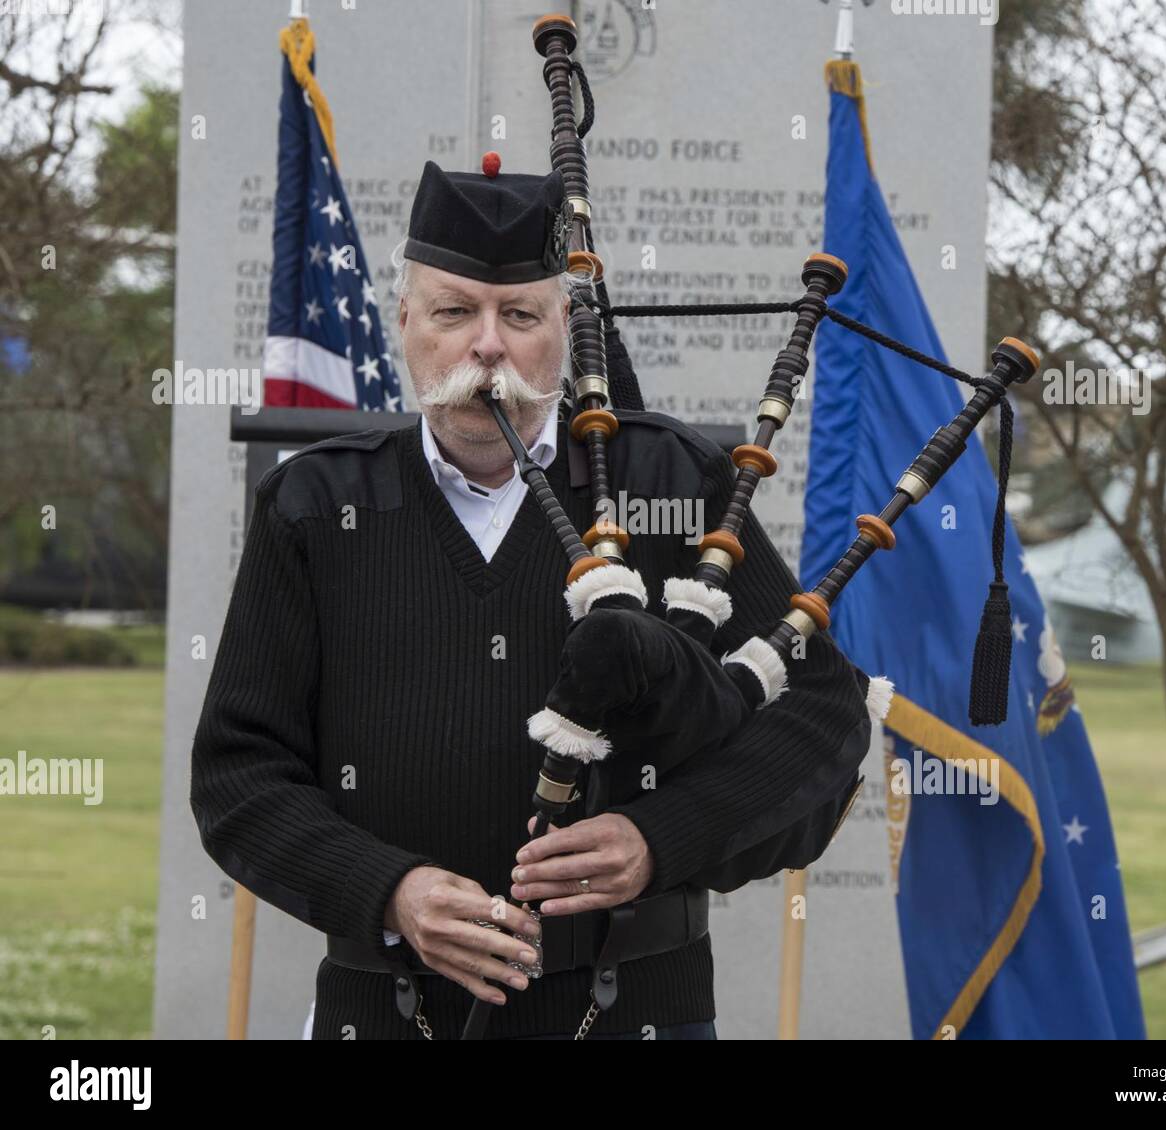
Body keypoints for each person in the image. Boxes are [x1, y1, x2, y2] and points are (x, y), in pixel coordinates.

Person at [190, 158, 869, 1040]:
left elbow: (821, 716)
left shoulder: (671, 481)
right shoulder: (315, 506)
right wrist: (389, 892)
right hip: (390, 1013)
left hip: (633, 1012)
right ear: (405, 323)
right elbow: (238, 773)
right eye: (453, 311)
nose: (486, 345)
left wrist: (663, 837)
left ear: (564, 332)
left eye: (519, 315)